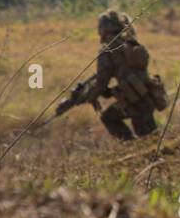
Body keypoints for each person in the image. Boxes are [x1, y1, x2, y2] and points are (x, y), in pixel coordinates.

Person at [59, 10, 167, 140]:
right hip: (146, 97)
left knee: (112, 120)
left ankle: (130, 146)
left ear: (104, 29)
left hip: (135, 102)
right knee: (150, 137)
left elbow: (101, 82)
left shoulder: (108, 50)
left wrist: (84, 97)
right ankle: (135, 148)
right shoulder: (129, 42)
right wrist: (107, 92)